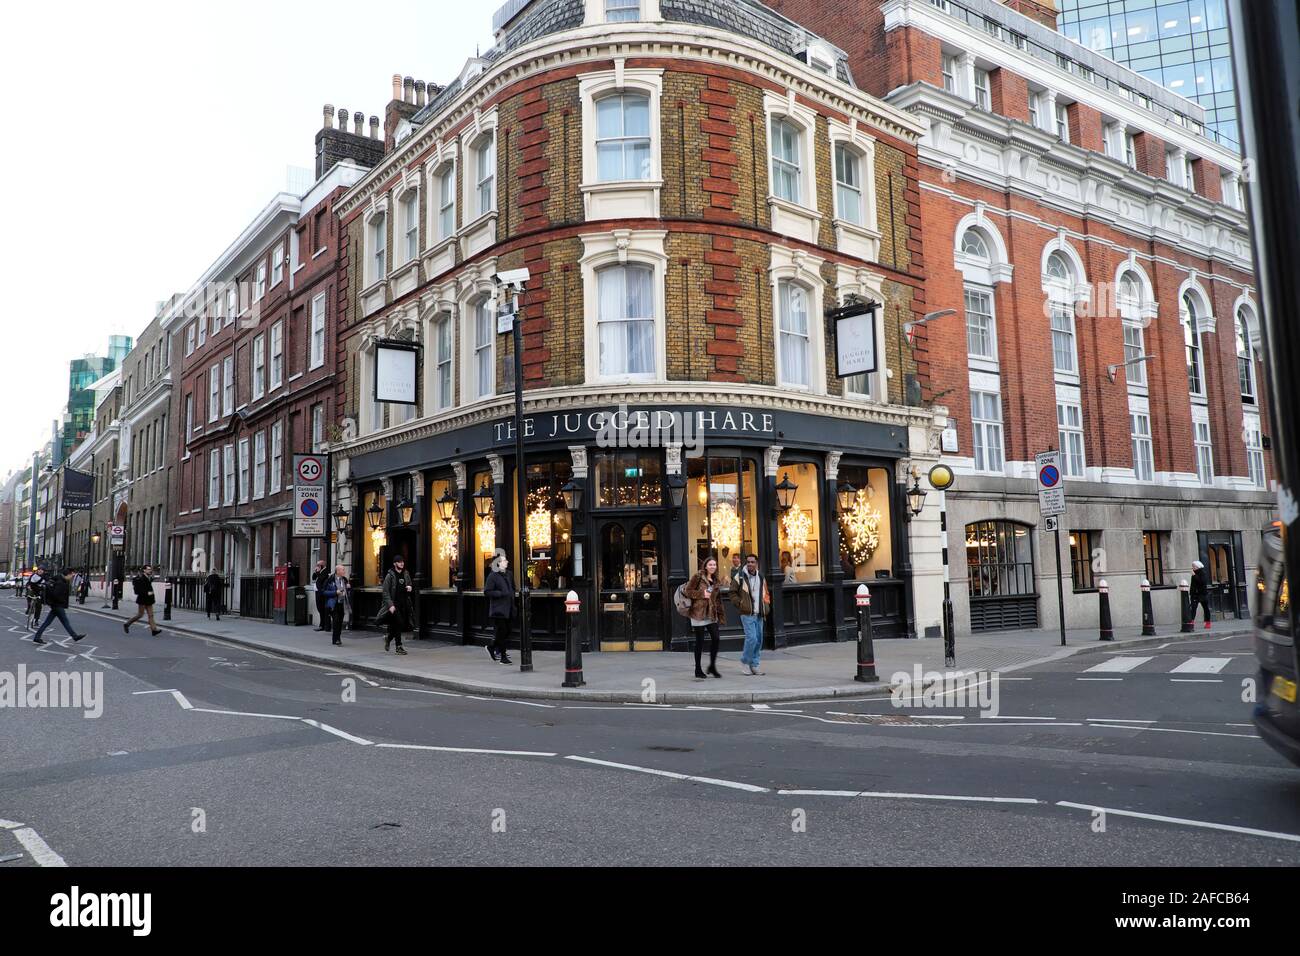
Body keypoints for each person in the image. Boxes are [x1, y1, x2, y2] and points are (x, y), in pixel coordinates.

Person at [683, 557, 725, 680]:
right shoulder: (698, 577)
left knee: (716, 638)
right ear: (705, 566)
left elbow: (718, 599)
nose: (713, 567)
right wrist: (702, 594)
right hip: (698, 613)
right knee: (700, 642)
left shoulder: (716, 580)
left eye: (714, 565)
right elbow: (687, 591)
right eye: (710, 564)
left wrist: (721, 614)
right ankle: (697, 669)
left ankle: (712, 666)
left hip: (711, 614)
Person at [732, 553, 770, 676]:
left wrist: (766, 605)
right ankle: (745, 662)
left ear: (756, 564)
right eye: (748, 562)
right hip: (747, 613)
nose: (750, 564)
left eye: (752, 562)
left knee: (759, 640)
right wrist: (741, 603)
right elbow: (732, 593)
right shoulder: (740, 577)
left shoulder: (761, 577)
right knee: (752, 638)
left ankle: (754, 665)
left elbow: (766, 593)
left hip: (759, 614)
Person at [30, 569, 86, 645]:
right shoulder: (61, 583)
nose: (72, 577)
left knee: (48, 622)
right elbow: (55, 594)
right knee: (65, 622)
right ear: (68, 575)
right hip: (57, 605)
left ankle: (37, 637)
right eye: (71, 575)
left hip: (56, 605)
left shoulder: (61, 580)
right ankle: (75, 636)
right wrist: (61, 601)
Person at [483, 554, 516, 665]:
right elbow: (487, 591)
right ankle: (503, 656)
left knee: (507, 631)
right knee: (502, 632)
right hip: (498, 609)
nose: (507, 561)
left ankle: (492, 647)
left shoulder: (509, 574)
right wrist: (500, 593)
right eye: (504, 560)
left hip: (509, 608)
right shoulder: (493, 576)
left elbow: (513, 588)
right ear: (498, 563)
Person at [380, 556, 414, 655]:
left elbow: (410, 584)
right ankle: (398, 647)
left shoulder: (406, 573)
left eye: (402, 562)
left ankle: (389, 637)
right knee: (399, 623)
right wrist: (390, 605)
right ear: (395, 564)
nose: (402, 563)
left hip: (404, 604)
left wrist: (410, 587)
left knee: (400, 624)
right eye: (399, 562)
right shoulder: (390, 576)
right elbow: (385, 592)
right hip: (394, 605)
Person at [124, 566, 162, 637]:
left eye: (150, 569)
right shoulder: (141, 578)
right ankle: (127, 624)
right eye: (148, 569)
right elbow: (139, 590)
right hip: (142, 600)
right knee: (140, 615)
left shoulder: (149, 578)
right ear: (144, 570)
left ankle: (154, 630)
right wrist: (147, 593)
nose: (150, 570)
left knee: (151, 615)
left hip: (149, 600)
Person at [324, 565, 351, 646]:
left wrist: (349, 588)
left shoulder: (345, 580)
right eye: (343, 570)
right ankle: (336, 639)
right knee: (336, 621)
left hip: (342, 604)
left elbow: (347, 592)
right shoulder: (330, 579)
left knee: (340, 622)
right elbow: (324, 592)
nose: (344, 571)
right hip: (333, 604)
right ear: (338, 571)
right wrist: (335, 592)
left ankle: (337, 638)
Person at [1189, 560, 1212, 630]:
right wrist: (1191, 593)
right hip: (1195, 594)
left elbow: (1202, 582)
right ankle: (1191, 622)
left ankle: (1208, 623)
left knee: (1205, 608)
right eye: (1192, 566)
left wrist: (1194, 575)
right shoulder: (1194, 573)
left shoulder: (1202, 572)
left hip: (1202, 594)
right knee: (1193, 608)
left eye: (1193, 566)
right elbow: (1192, 585)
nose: (1192, 567)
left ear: (1197, 566)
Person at [312, 560, 331, 632]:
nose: (317, 566)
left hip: (321, 593)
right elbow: (313, 578)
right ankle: (322, 624)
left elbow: (321, 580)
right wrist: (315, 572)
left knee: (322, 609)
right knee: (319, 609)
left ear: (322, 565)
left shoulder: (325, 571)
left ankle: (323, 625)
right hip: (317, 592)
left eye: (318, 565)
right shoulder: (319, 572)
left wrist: (317, 572)